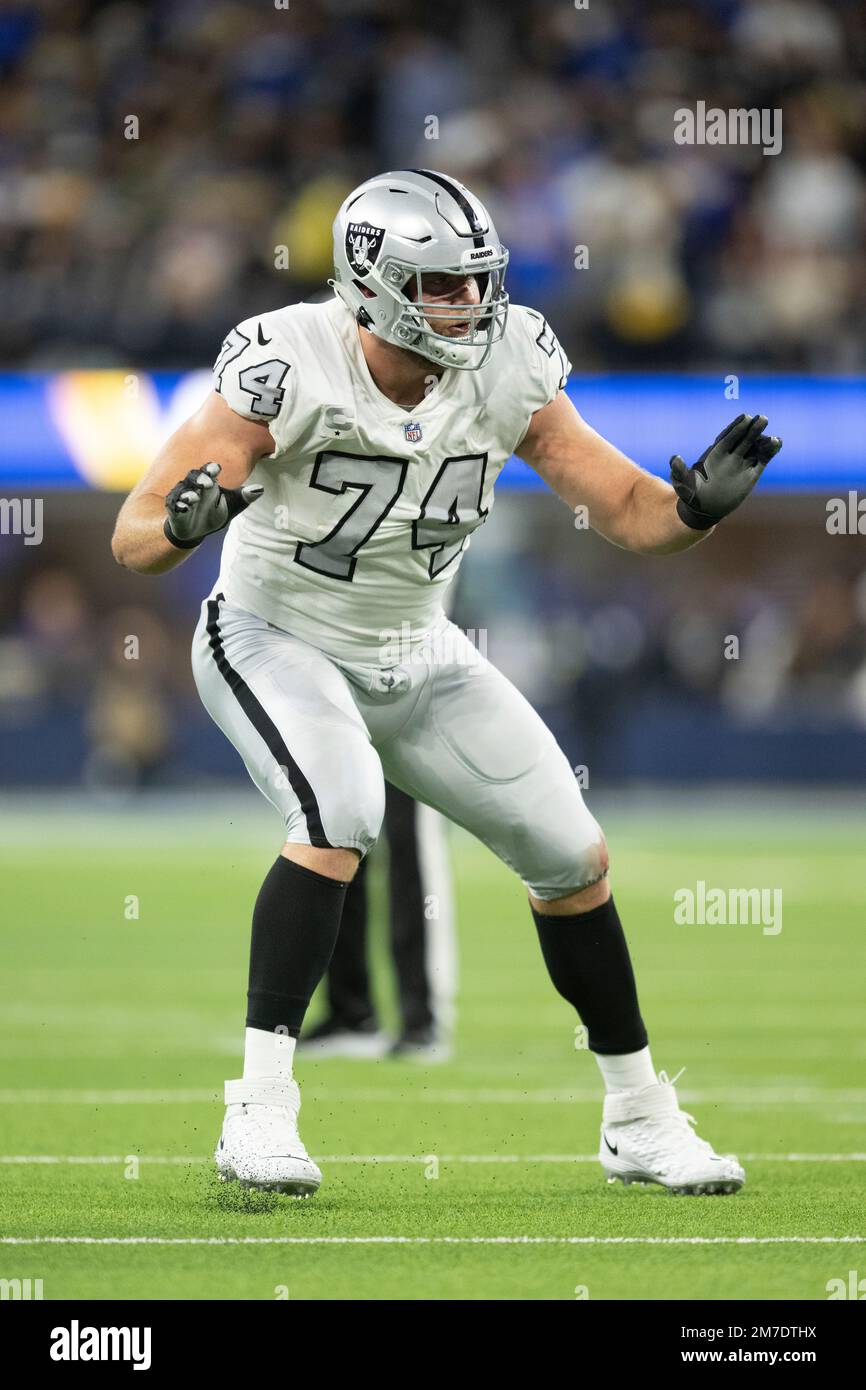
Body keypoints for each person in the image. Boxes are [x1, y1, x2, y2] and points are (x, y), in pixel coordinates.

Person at [111, 168, 781, 1199]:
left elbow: (628, 510)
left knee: (569, 853)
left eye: (478, 283)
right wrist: (186, 525)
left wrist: (691, 511)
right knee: (336, 811)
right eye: (442, 287)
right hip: (273, 633)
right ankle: (259, 1111)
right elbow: (134, 535)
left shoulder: (507, 359)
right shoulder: (289, 358)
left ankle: (638, 1117)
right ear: (373, 283)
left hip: (418, 649)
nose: (470, 306)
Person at [298, 783, 456, 1060]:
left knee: (411, 844)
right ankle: (351, 1013)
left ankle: (422, 1019)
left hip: (413, 740)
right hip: (346, 738)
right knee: (337, 836)